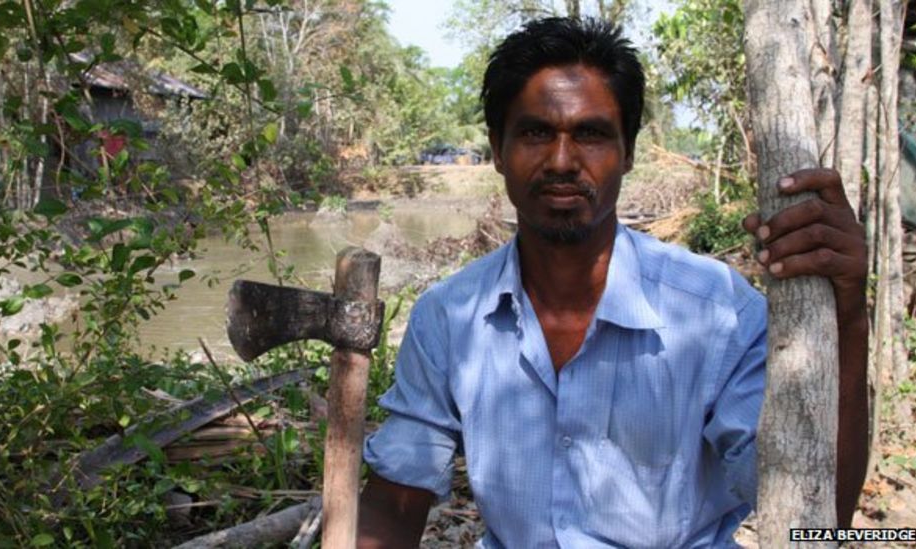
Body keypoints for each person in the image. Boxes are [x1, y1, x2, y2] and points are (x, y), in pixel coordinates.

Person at [357, 17, 868, 548]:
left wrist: (849, 314)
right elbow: (394, 504)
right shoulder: (450, 315)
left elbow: (821, 510)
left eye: (591, 134)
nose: (562, 161)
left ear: (627, 152)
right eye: (534, 132)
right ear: (497, 149)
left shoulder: (718, 313)